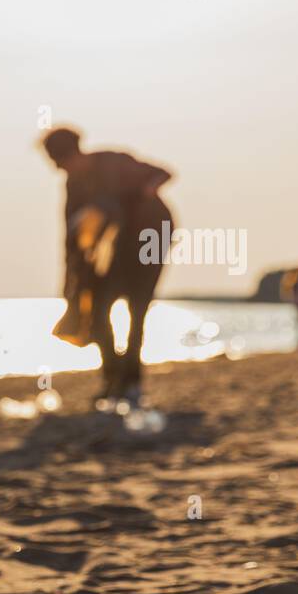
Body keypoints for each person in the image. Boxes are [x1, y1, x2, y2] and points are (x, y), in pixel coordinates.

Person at [42, 127, 174, 401]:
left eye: (61, 161)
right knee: (99, 308)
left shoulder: (113, 162)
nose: (62, 169)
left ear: (74, 152)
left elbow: (164, 172)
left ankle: (132, 381)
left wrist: (147, 190)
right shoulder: (73, 183)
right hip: (111, 250)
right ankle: (113, 378)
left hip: (151, 239)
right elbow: (71, 233)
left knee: (138, 309)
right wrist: (69, 282)